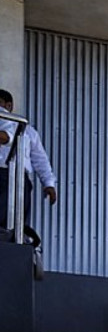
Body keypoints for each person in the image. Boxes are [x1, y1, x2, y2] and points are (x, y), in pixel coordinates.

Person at [0, 89, 58, 230]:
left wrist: (49, 183)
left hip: (20, 179)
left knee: (18, 226)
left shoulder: (28, 131)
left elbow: (40, 159)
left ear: (9, 105)